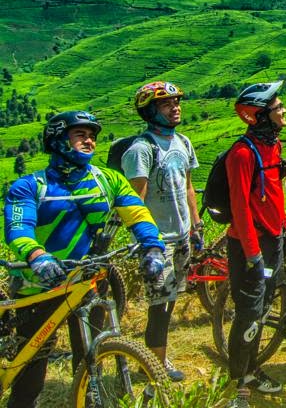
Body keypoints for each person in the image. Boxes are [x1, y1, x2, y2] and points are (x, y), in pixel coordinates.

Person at [3, 111, 166, 408]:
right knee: (31, 371)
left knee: (91, 357)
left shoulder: (108, 180)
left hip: (87, 282)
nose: (89, 140)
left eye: (92, 136)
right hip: (39, 286)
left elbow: (137, 214)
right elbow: (18, 229)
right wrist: (38, 256)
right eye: (80, 135)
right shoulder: (30, 186)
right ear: (58, 140)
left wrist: (152, 247)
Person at [121, 80, 201, 381]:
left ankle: (157, 358)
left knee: (170, 302)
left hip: (181, 236)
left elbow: (189, 187)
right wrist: (146, 242)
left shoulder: (184, 142)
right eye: (167, 104)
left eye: (177, 102)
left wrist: (196, 225)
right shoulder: (141, 150)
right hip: (158, 241)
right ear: (150, 111)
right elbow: (135, 199)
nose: (175, 108)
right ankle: (155, 366)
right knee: (158, 306)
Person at [225, 82, 286, 407]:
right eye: (278, 107)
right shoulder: (241, 153)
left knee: (262, 312)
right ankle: (239, 387)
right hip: (250, 245)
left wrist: (283, 228)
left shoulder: (272, 146)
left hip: (272, 238)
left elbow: (269, 193)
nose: (283, 110)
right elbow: (240, 208)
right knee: (249, 315)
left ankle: (251, 371)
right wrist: (253, 253)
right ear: (259, 116)